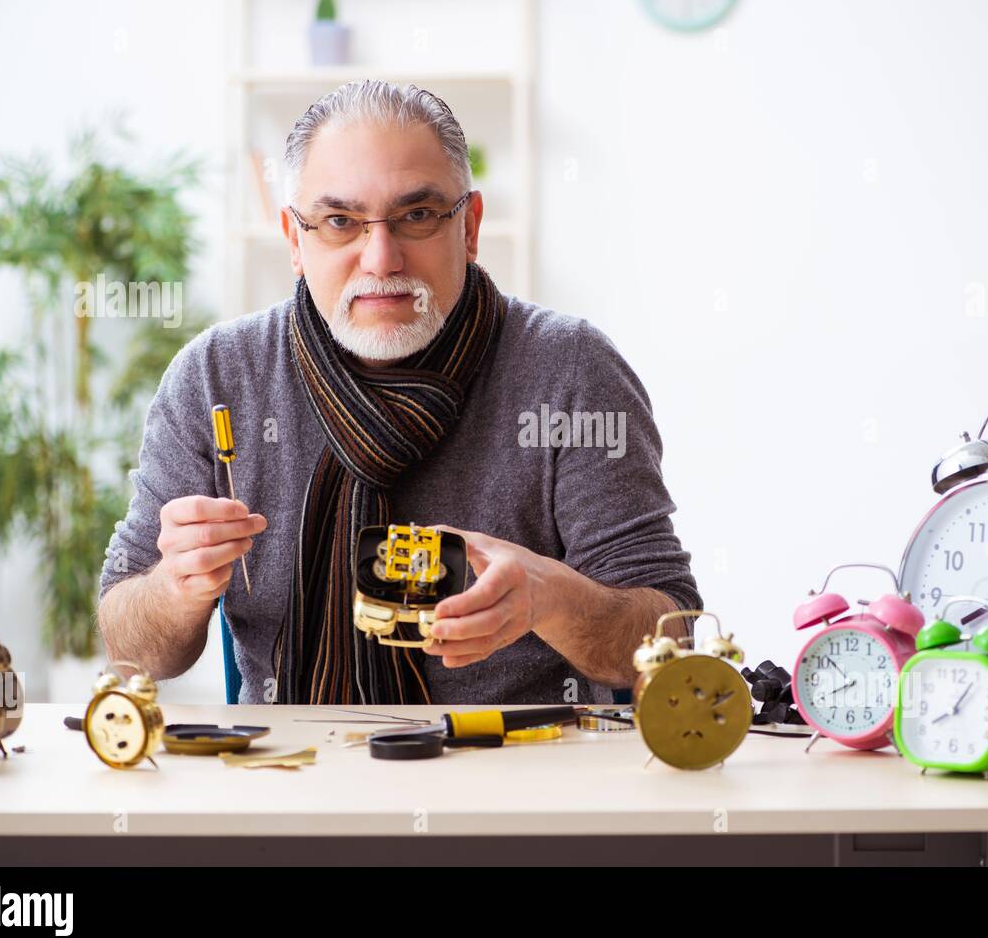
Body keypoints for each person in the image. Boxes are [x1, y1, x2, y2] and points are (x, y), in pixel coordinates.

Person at [97, 80, 700, 705]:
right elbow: (131, 645)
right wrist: (175, 586)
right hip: (294, 774)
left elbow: (672, 638)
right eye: (339, 221)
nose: (380, 259)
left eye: (416, 215)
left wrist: (551, 600)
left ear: (468, 226)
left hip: (517, 775)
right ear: (294, 239)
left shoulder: (571, 368)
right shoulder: (216, 376)